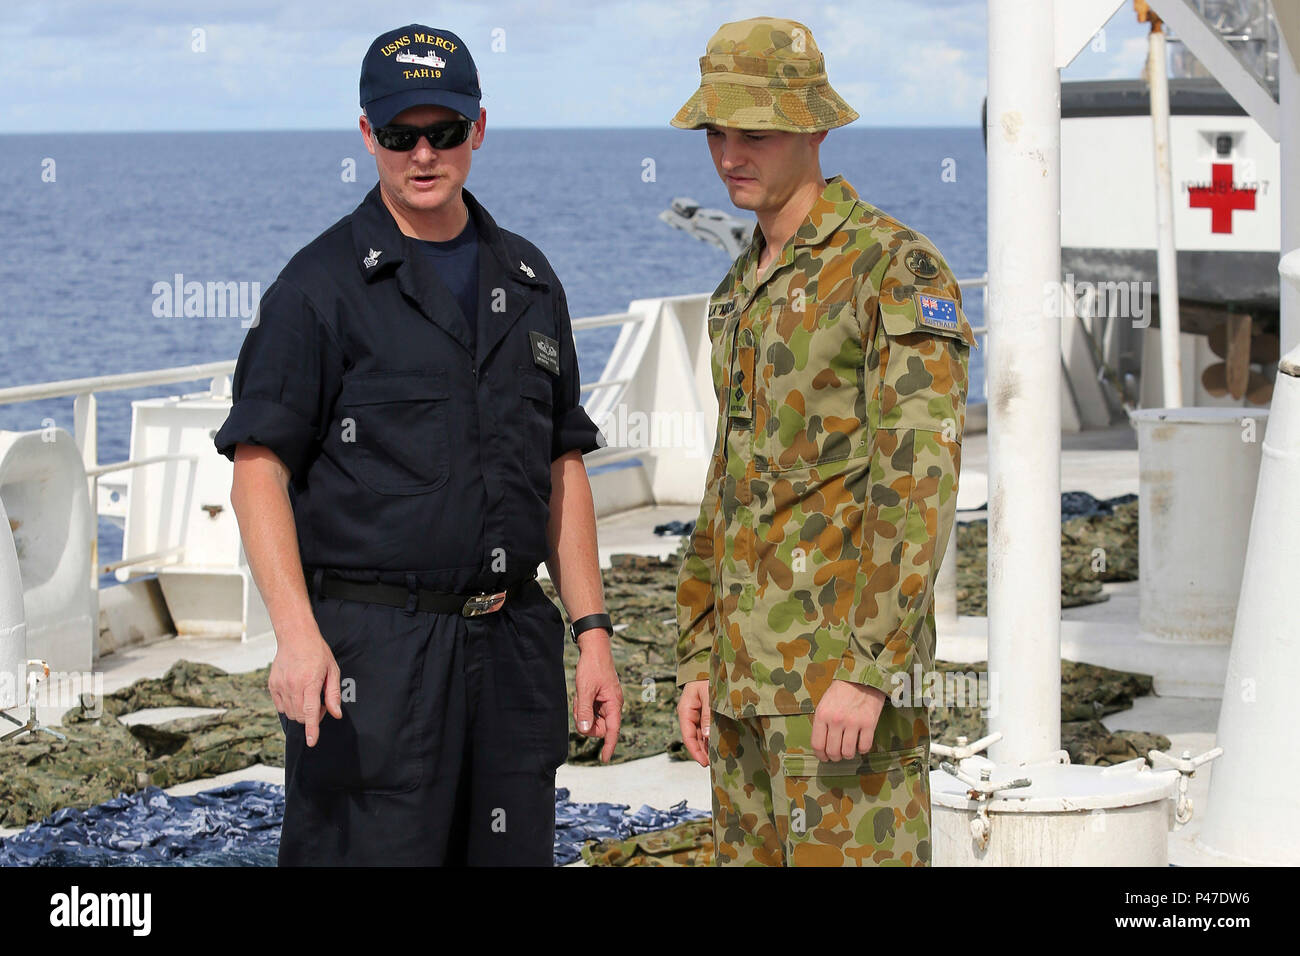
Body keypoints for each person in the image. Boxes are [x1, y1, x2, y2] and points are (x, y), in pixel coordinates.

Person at [213, 23, 623, 866]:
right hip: (377, 661)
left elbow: (562, 462)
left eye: (443, 131)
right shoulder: (318, 289)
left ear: (479, 127)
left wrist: (592, 634)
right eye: (401, 135)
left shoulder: (531, 282)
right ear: (368, 134)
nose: (423, 154)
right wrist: (296, 636)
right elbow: (259, 468)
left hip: (511, 651)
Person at [671, 16, 976, 867]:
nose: (731, 152)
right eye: (717, 132)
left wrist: (869, 669)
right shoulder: (739, 290)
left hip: (840, 693)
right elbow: (728, 485)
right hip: (743, 689)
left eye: (756, 132)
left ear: (814, 126)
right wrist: (698, 654)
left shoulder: (892, 270)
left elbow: (917, 487)